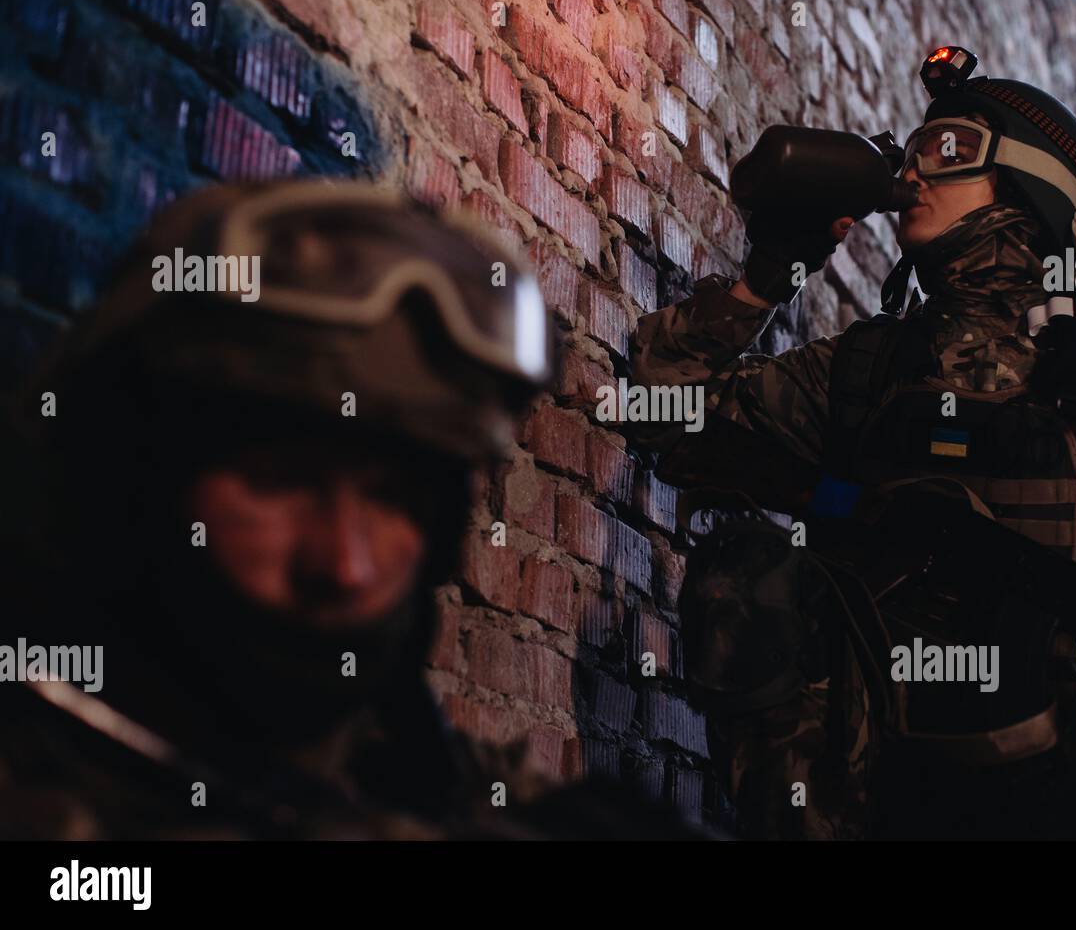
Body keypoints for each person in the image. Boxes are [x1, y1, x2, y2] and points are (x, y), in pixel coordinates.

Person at [629, 47, 1076, 839]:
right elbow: (662, 410)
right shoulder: (864, 366)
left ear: (1032, 187)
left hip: (1047, 758)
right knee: (745, 571)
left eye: (948, 155)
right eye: (911, 153)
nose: (912, 174)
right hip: (867, 766)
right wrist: (769, 274)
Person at [0, 179, 697, 840]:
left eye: (395, 498)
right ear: (135, 483)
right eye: (277, 482)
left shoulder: (407, 770)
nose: (344, 564)